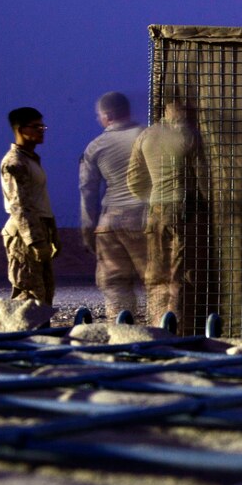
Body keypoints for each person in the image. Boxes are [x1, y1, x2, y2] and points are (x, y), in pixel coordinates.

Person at [127, 100, 205, 333]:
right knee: (182, 275)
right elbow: (202, 176)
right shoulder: (189, 135)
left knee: (156, 275)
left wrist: (154, 198)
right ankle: (180, 330)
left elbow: (133, 179)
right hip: (184, 210)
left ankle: (157, 327)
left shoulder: (146, 136)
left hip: (156, 211)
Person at [79, 92, 147, 319]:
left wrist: (88, 231)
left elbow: (88, 193)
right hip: (145, 220)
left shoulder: (95, 147)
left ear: (107, 115)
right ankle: (162, 337)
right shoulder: (146, 137)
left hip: (110, 225)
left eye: (99, 115)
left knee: (116, 287)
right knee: (159, 284)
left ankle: (121, 336)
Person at [0, 107, 59, 306]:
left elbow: (40, 200)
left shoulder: (30, 161)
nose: (41, 130)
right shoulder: (15, 162)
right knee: (29, 295)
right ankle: (25, 337)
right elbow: (20, 206)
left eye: (43, 126)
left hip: (38, 229)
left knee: (45, 292)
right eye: (36, 126)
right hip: (23, 236)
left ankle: (42, 335)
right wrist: (35, 242)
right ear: (20, 129)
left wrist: (52, 234)